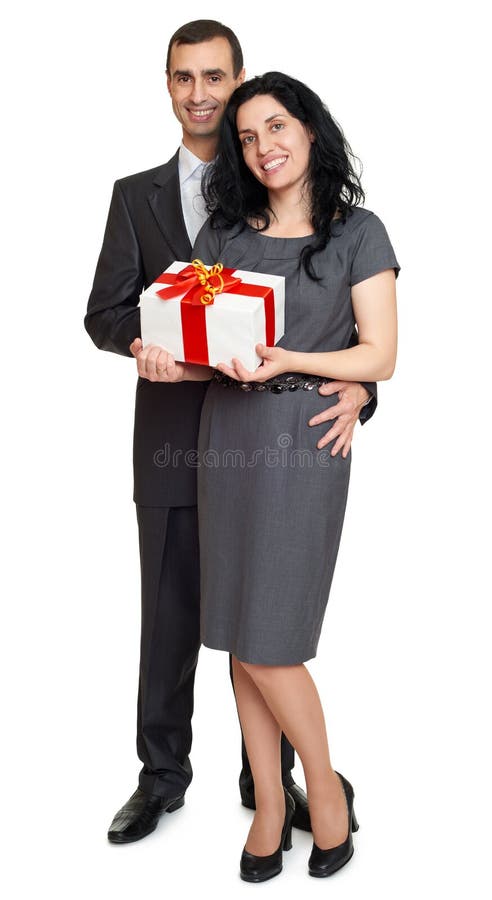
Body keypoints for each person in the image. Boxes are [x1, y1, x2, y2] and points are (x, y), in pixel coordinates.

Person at [85, 20, 378, 845]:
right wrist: (138, 342)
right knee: (174, 614)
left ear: (240, 80)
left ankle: (273, 781)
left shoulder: (276, 195)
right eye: (185, 77)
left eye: (217, 76)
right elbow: (104, 310)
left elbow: (330, 314)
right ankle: (162, 776)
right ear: (169, 87)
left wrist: (361, 389)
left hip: (268, 440)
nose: (201, 92)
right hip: (177, 437)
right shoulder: (134, 194)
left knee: (263, 615)